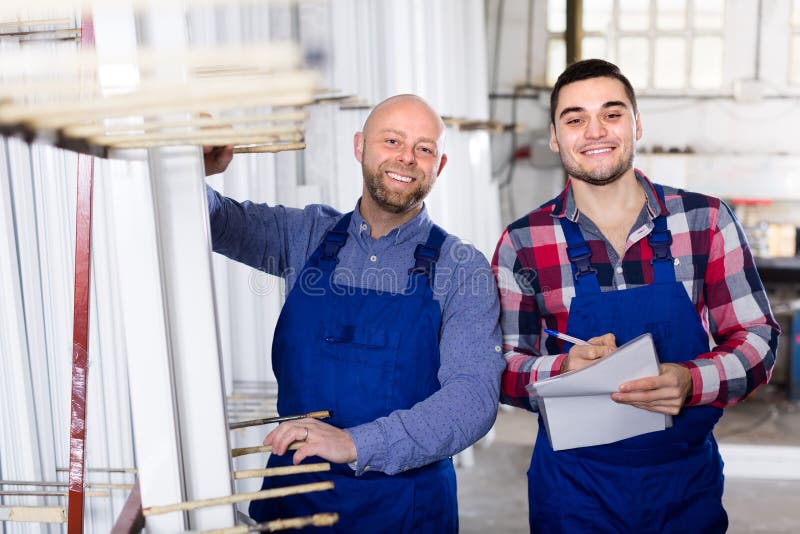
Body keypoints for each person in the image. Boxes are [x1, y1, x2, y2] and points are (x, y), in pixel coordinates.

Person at [491, 59, 780, 533]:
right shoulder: (523, 242)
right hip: (573, 493)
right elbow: (501, 366)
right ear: (554, 136)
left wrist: (692, 380)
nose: (595, 131)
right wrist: (563, 369)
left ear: (637, 122)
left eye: (612, 113)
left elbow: (758, 340)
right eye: (575, 118)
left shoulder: (706, 221)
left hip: (684, 488)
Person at [203, 94, 504, 532]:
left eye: (424, 148)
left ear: (438, 167)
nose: (407, 157)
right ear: (359, 146)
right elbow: (210, 220)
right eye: (392, 141)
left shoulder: (461, 267)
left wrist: (355, 443)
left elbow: (473, 399)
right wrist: (193, 168)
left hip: (408, 509)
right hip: (296, 497)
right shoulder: (304, 235)